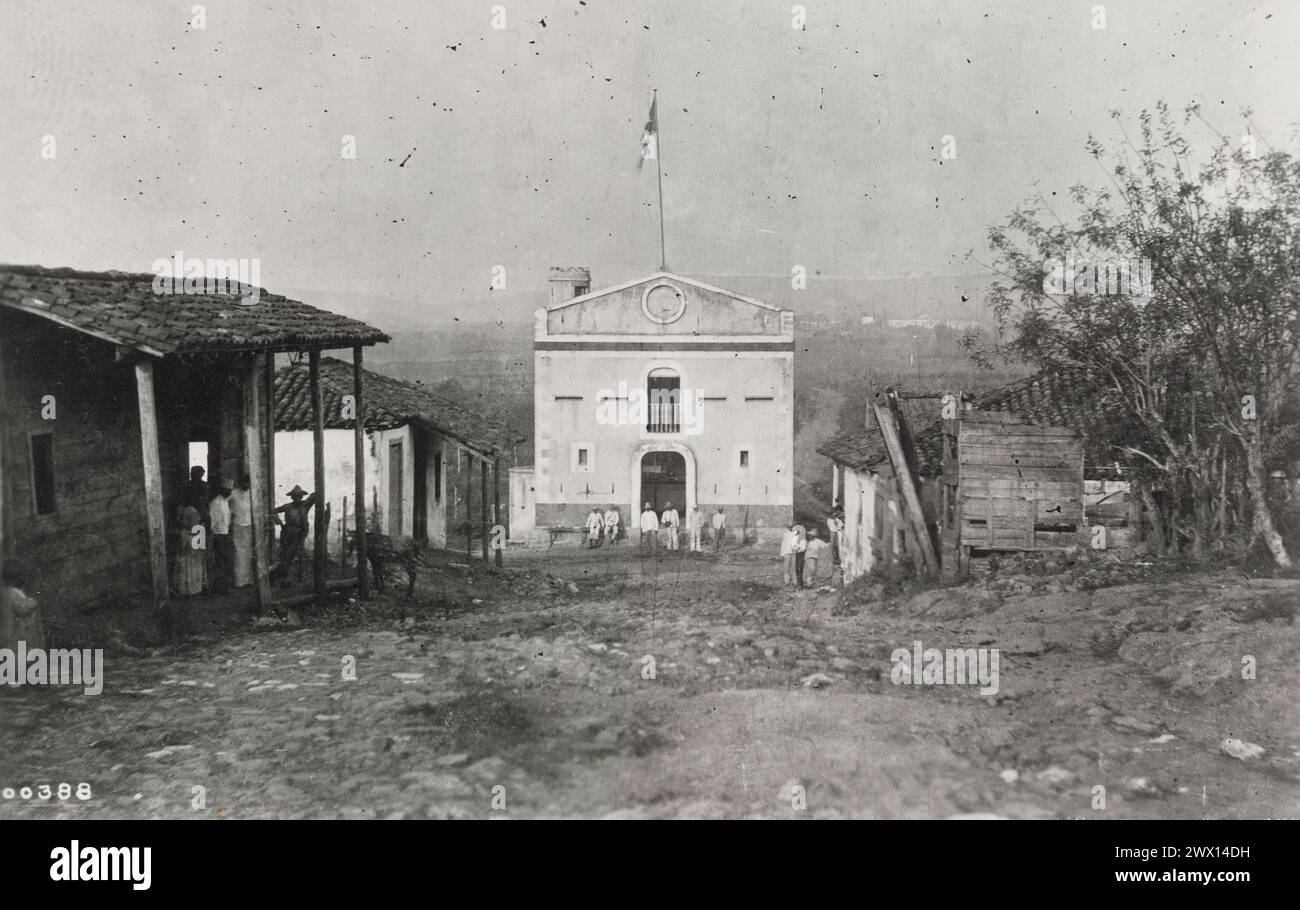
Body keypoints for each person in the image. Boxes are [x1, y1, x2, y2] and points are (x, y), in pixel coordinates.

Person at [273, 484, 317, 586]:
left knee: (290, 556)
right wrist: (278, 520)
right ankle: (284, 579)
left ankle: (281, 577)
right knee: (284, 556)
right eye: (295, 496)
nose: (297, 498)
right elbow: (273, 510)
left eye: (299, 496)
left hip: (298, 535)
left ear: (301, 497)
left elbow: (314, 496)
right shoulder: (287, 506)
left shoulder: (305, 505)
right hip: (286, 533)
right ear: (292, 497)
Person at [0, 559, 44, 653]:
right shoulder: (12, 592)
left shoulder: (7, 591)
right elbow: (23, 608)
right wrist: (33, 602)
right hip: (15, 631)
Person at [173, 503, 207, 596]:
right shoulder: (183, 534)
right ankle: (187, 591)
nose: (195, 520)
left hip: (195, 551)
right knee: (187, 567)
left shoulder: (197, 527)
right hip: (188, 553)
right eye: (192, 518)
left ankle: (196, 589)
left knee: (196, 567)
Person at [229, 474, 254, 588]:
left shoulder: (252, 493)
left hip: (249, 525)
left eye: (248, 483)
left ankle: (248, 580)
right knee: (238, 553)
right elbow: (225, 504)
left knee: (248, 553)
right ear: (241, 483)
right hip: (238, 525)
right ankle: (239, 581)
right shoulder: (234, 493)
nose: (246, 485)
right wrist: (230, 515)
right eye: (245, 483)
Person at [209, 482, 233, 594]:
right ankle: (219, 587)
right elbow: (213, 522)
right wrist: (215, 535)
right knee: (220, 562)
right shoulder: (215, 503)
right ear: (222, 490)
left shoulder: (225, 501)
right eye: (227, 490)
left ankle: (224, 586)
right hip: (218, 535)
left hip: (225, 534)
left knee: (226, 561)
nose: (229, 493)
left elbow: (227, 519)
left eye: (230, 491)